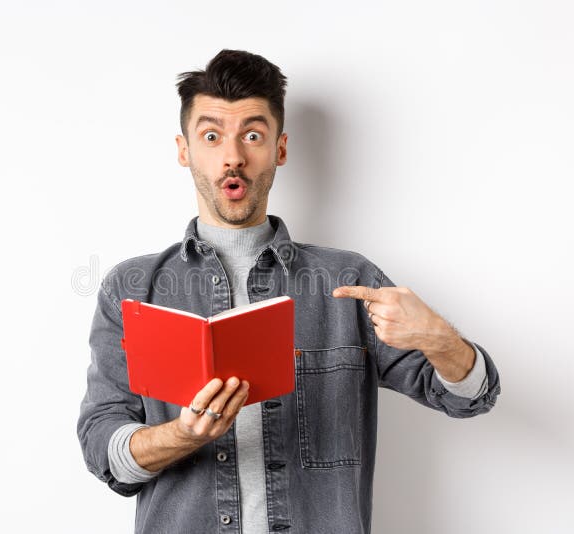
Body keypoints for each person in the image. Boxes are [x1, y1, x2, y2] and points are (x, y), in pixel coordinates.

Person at [77, 49, 500, 534]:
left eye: (252, 135)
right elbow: (102, 448)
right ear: (184, 150)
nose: (233, 155)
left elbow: (470, 398)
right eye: (211, 136)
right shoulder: (133, 290)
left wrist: (440, 338)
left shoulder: (349, 281)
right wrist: (183, 434)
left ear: (279, 149)